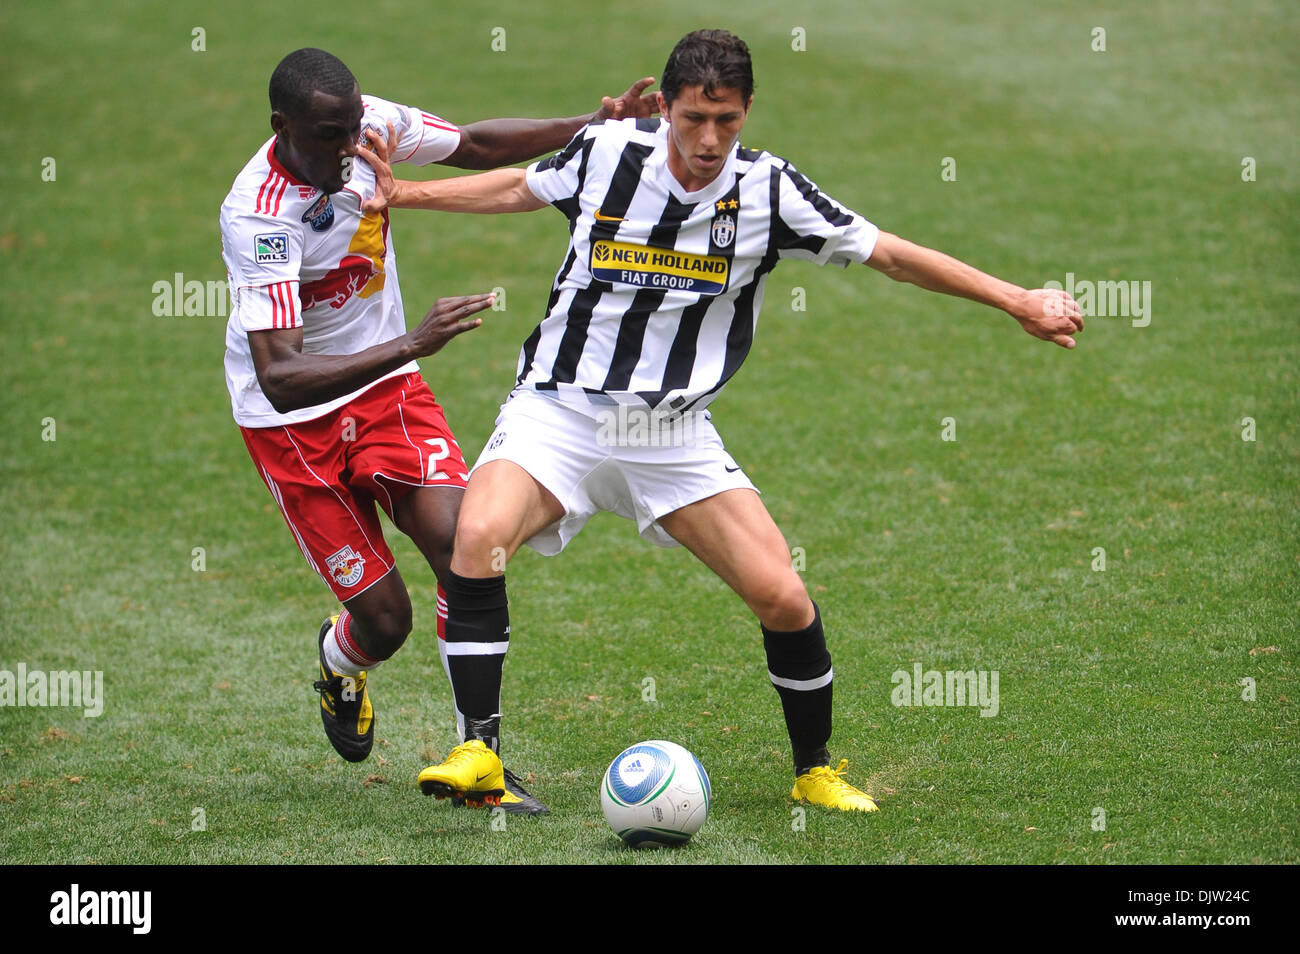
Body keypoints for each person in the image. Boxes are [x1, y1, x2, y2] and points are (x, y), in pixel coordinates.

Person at [358, 29, 1083, 813]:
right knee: (478, 536)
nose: (708, 140)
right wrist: (405, 192)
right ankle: (480, 755)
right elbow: (513, 189)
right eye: (694, 118)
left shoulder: (770, 192)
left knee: (783, 596)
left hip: (671, 434)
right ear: (665, 106)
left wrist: (1017, 299)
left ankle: (814, 772)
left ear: (745, 115)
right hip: (559, 410)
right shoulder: (607, 153)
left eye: (727, 122)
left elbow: (891, 254)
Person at [219, 47, 658, 815]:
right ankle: (339, 662)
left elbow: (475, 146)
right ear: (281, 127)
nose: (351, 147)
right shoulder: (258, 212)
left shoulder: (367, 128)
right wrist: (411, 342)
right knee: (386, 622)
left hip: (388, 394)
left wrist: (592, 124)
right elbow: (280, 376)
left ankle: (479, 760)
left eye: (355, 128)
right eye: (329, 136)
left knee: (467, 551)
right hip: (294, 427)